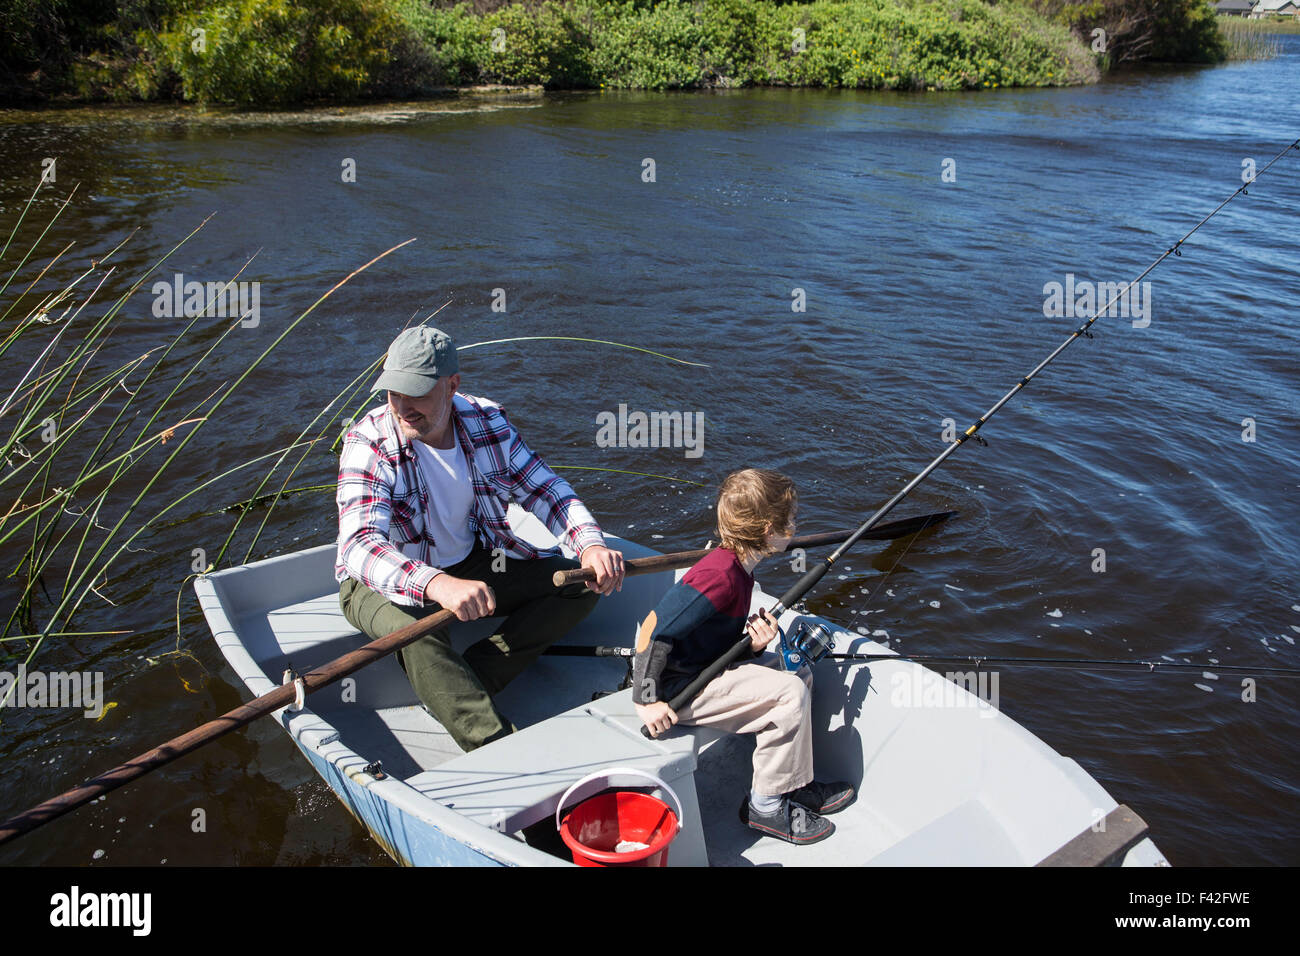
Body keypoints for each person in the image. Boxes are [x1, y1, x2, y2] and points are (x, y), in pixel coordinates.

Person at [336, 326, 624, 753]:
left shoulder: (487, 421)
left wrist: (591, 546)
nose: (401, 406)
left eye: (415, 392)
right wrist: (436, 584)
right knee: (416, 633)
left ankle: (463, 683)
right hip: (377, 582)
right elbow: (360, 545)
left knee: (579, 581)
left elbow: (546, 489)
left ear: (453, 385)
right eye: (392, 391)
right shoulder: (369, 443)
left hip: (473, 563)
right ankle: (501, 751)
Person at [632, 468, 854, 845]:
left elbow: (704, 636)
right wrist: (646, 700)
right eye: (792, 520)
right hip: (679, 690)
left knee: (796, 671)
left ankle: (792, 783)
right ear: (770, 529)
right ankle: (765, 808)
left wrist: (752, 645)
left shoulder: (737, 568)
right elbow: (654, 630)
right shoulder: (719, 576)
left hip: (703, 671)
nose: (796, 526)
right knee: (789, 694)